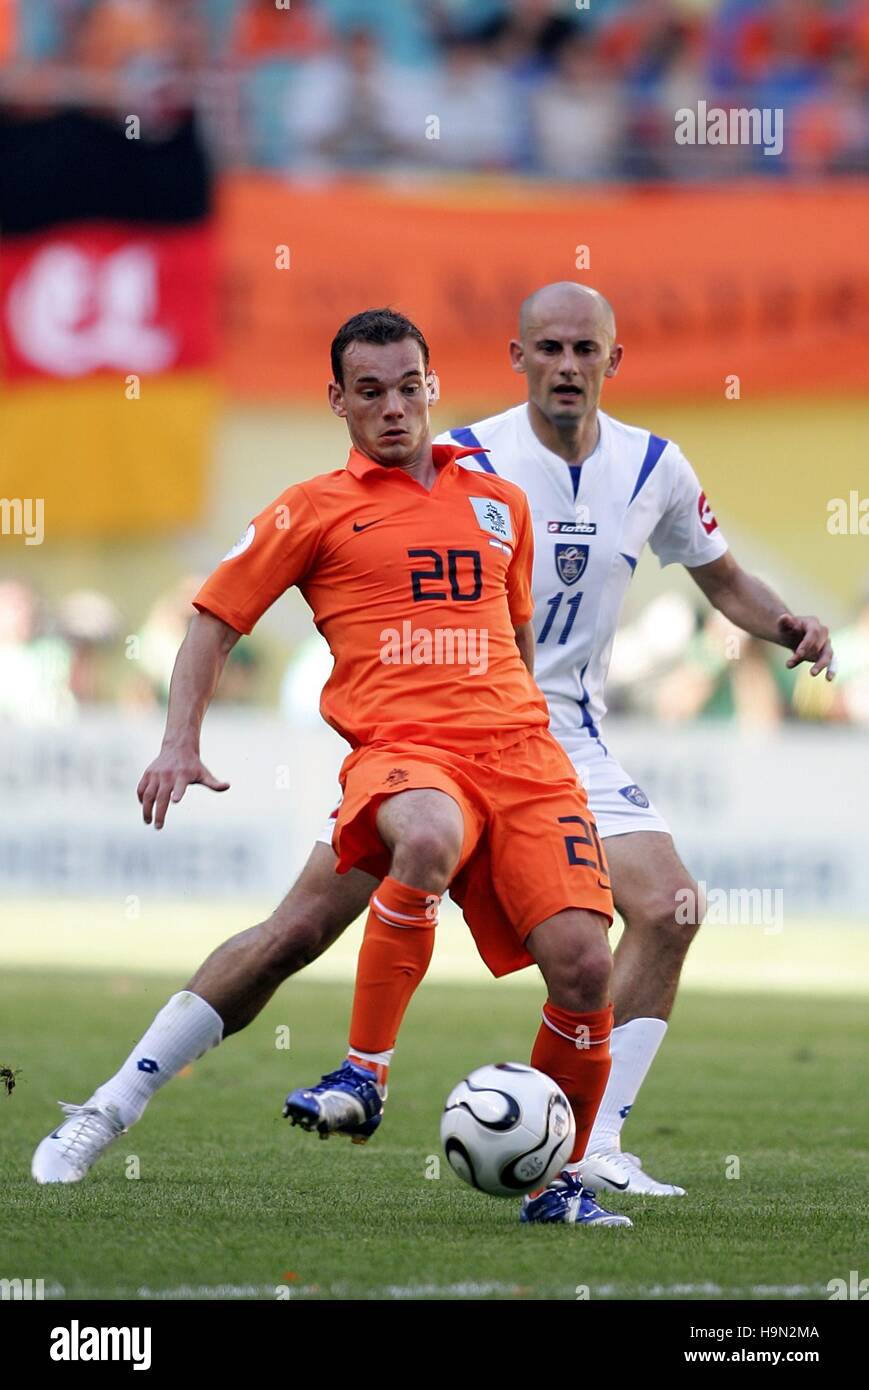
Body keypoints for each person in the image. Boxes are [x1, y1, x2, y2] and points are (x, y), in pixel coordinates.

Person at [33, 286, 835, 1200]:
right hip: (414, 749)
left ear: (612, 361)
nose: (565, 366)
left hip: (540, 742)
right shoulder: (421, 467)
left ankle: (584, 1149)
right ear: (514, 358)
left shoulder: (619, 474)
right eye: (547, 349)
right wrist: (180, 740)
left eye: (584, 350)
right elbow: (222, 616)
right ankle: (126, 1103)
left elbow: (681, 585)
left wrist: (785, 627)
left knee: (648, 921)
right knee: (298, 930)